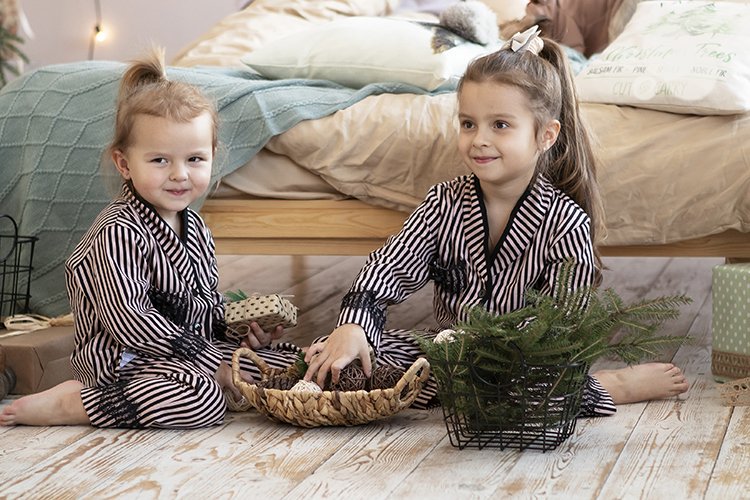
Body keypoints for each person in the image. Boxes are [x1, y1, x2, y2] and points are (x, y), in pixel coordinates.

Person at [303, 28, 688, 414]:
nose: (479, 139)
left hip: (525, 362)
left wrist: (487, 357)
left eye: (500, 125)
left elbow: (561, 326)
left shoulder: (565, 223)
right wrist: (353, 328)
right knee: (335, 353)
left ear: (546, 135)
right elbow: (387, 269)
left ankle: (608, 386)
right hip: (446, 353)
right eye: (468, 124)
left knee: (526, 384)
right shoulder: (443, 203)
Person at [0, 47, 299, 428]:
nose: (179, 174)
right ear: (124, 163)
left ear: (212, 156)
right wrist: (213, 363)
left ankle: (227, 372)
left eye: (194, 159)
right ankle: (76, 402)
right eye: (160, 160)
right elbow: (132, 322)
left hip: (184, 353)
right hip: (127, 363)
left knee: (285, 365)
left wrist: (238, 334)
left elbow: (202, 306)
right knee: (202, 400)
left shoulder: (196, 228)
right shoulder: (118, 232)